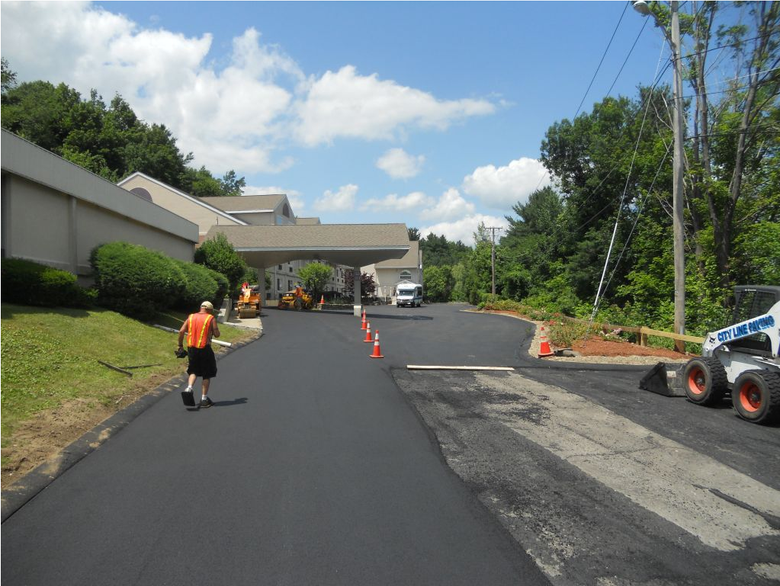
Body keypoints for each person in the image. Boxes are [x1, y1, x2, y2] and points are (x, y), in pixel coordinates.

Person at [178, 300, 221, 408]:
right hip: (205, 349)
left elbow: (181, 331)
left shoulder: (191, 317)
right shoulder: (210, 318)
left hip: (191, 348)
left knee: (193, 370)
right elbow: (217, 335)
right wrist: (214, 329)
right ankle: (204, 399)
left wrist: (180, 346)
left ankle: (189, 388)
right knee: (207, 374)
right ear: (209, 309)